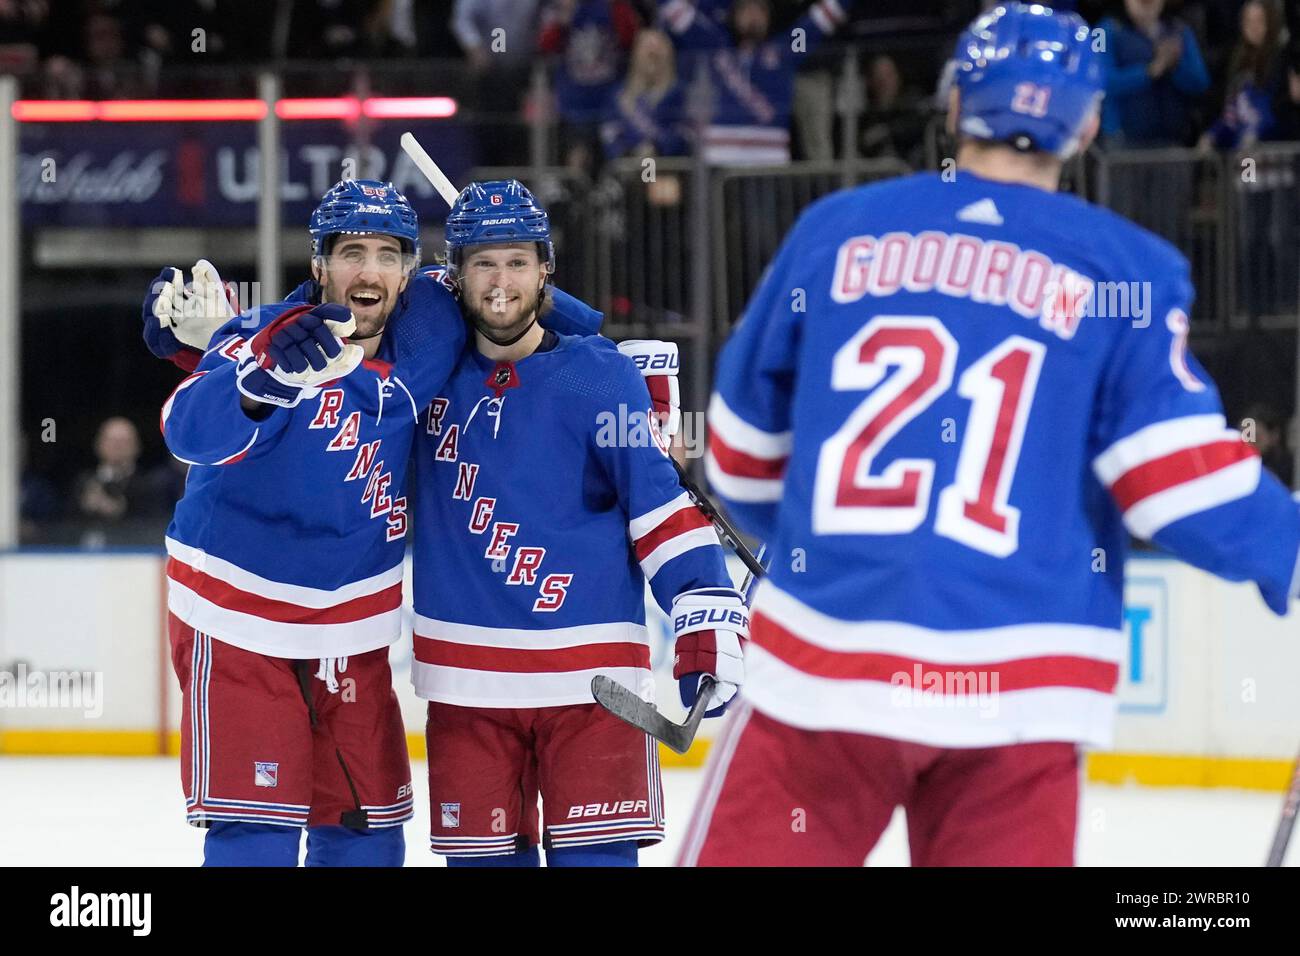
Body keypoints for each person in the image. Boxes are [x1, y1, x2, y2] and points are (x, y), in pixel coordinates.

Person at [687, 3, 1300, 866]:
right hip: (1022, 692)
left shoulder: (835, 231)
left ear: (951, 108)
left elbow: (741, 456)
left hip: (826, 666)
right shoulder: (1125, 267)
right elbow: (1177, 481)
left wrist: (818, 547)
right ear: (1087, 125)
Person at [143, 179, 602, 866]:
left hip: (352, 635)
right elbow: (187, 427)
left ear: (411, 272)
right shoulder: (267, 341)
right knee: (255, 839)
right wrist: (256, 383)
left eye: (387, 254)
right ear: (320, 266)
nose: (368, 270)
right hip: (236, 621)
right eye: (350, 252)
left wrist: (581, 324)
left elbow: (509, 300)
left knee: (368, 838)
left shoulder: (434, 330)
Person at [407, 180, 746, 866]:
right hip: (465, 689)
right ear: (453, 276)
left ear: (546, 270)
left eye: (518, 263)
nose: (501, 283)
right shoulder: (423, 374)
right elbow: (370, 303)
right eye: (483, 265)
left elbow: (657, 505)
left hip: (597, 687)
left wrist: (704, 610)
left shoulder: (598, 377)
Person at [658, 0, 855, 164]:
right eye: (746, 8)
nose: (753, 15)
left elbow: (821, 19)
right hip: (718, 161)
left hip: (768, 163)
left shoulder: (787, 51)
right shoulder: (712, 44)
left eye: (760, 9)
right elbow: (674, 10)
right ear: (734, 14)